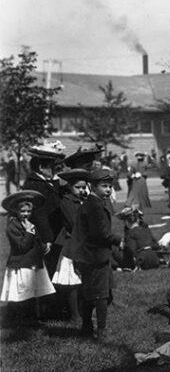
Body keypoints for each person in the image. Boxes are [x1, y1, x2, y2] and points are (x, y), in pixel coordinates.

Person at [71, 168, 119, 341]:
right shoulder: (94, 206)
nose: (108, 190)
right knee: (101, 294)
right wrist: (118, 240)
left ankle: (86, 327)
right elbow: (100, 233)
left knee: (89, 292)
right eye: (104, 186)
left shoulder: (92, 203)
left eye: (110, 186)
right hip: (95, 256)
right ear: (92, 186)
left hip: (87, 255)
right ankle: (101, 331)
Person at [1, 190, 55, 317]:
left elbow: (36, 240)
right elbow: (22, 246)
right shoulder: (13, 226)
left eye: (29, 211)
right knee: (23, 291)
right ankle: (19, 317)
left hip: (33, 262)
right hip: (22, 263)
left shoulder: (30, 224)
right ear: (16, 211)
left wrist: (44, 246)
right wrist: (29, 232)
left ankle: (32, 316)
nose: (26, 214)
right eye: (23, 211)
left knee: (34, 290)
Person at [21, 141, 67, 277]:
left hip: (54, 232)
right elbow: (39, 214)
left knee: (51, 265)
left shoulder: (46, 182)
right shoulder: (33, 185)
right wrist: (47, 238)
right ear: (41, 167)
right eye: (52, 167)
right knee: (43, 267)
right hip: (43, 234)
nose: (54, 170)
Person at [51, 168, 90, 321]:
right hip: (71, 242)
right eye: (77, 187)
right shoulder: (66, 201)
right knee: (72, 279)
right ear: (70, 187)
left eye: (83, 187)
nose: (81, 190)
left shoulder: (85, 200)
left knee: (84, 278)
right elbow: (73, 222)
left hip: (85, 241)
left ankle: (82, 310)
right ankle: (74, 313)